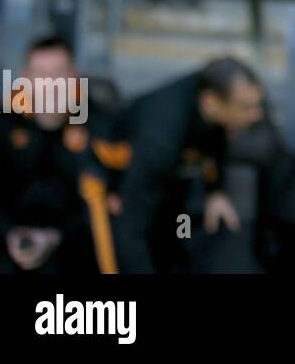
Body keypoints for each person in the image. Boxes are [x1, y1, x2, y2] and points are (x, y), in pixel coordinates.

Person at [114, 58, 266, 273]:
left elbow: (217, 137)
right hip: (123, 188)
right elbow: (130, 229)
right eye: (246, 108)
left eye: (257, 105)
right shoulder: (161, 138)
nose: (257, 115)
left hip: (170, 183)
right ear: (210, 103)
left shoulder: (211, 90)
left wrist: (216, 190)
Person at [0, 36, 109, 274]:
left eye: (59, 74)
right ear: (25, 80)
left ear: (74, 77)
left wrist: (55, 237)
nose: (51, 84)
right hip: (6, 246)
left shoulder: (101, 128)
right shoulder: (0, 128)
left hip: (75, 252)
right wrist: (9, 233)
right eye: (41, 75)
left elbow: (109, 203)